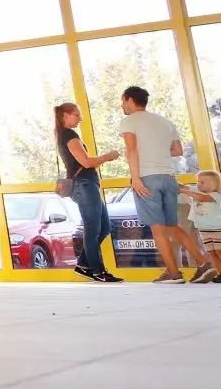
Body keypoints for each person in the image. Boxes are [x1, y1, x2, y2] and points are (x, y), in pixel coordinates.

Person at [119, 86, 208, 283]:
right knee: (171, 226)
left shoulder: (129, 121)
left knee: (158, 230)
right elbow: (177, 151)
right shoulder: (165, 122)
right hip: (168, 177)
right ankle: (204, 262)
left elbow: (132, 151)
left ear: (130, 99)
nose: (122, 105)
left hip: (147, 178)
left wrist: (136, 178)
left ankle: (174, 273)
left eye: (123, 101)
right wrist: (156, 150)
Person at [53, 102, 123, 283]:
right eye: (76, 115)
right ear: (65, 115)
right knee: (92, 229)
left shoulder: (65, 135)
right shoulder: (69, 134)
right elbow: (86, 162)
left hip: (88, 184)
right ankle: (98, 271)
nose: (80, 118)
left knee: (104, 227)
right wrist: (108, 156)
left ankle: (84, 264)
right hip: (84, 185)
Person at [178, 170, 221, 283]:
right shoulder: (197, 191)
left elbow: (202, 198)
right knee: (212, 252)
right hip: (204, 230)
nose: (198, 184)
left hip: (217, 229)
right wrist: (177, 185)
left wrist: (183, 191)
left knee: (219, 251)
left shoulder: (216, 195)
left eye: (202, 182)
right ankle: (220, 273)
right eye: (198, 181)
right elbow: (187, 188)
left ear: (213, 184)